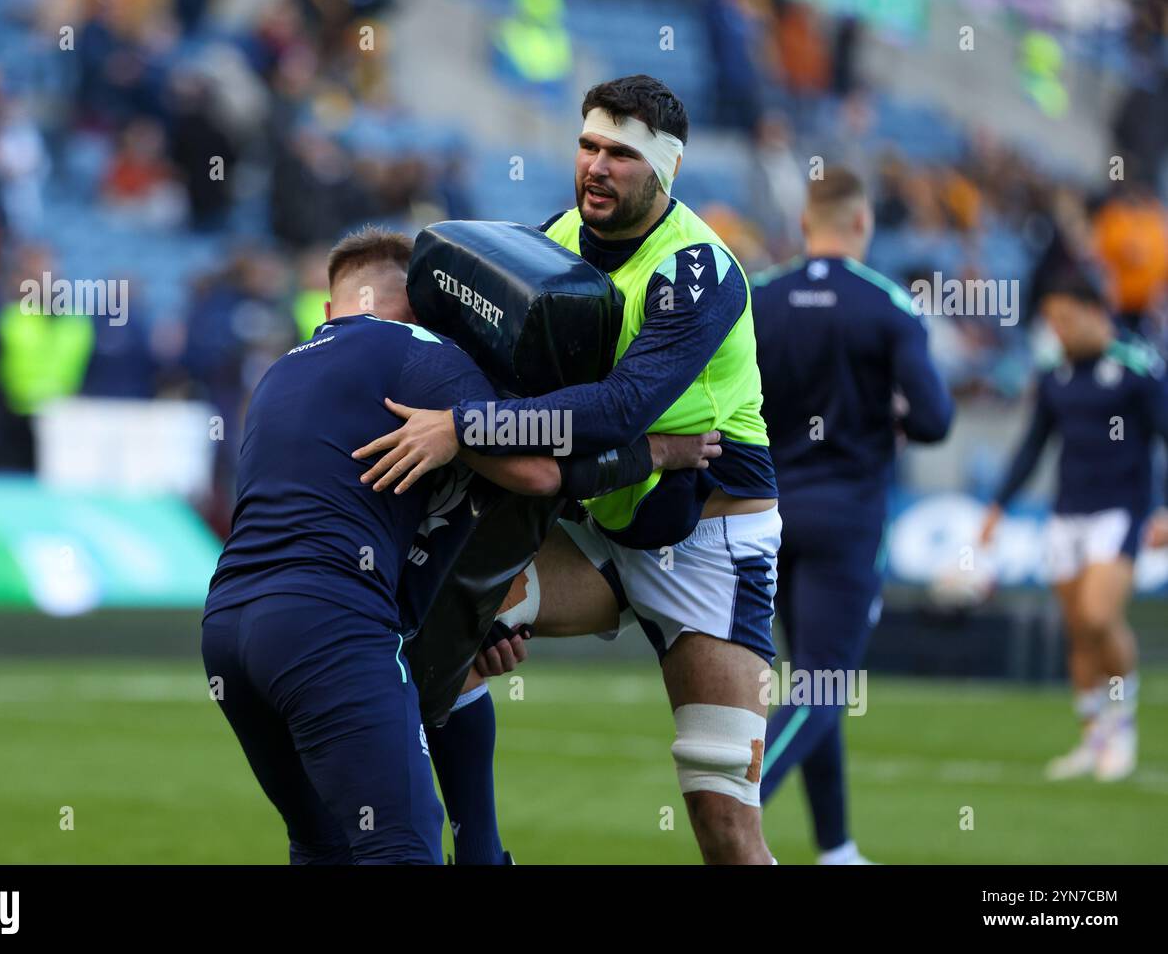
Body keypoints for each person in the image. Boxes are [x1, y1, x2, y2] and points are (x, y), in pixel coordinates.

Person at [356, 75, 781, 864]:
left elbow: (620, 407)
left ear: (667, 170)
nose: (596, 166)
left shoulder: (698, 270)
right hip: (601, 526)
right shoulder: (547, 243)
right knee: (441, 629)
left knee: (724, 823)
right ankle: (477, 851)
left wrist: (464, 430)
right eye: (588, 145)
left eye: (621, 154)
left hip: (709, 544)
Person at [201, 225, 719, 863]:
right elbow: (530, 471)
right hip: (328, 624)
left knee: (322, 846)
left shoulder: (281, 373)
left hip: (227, 629)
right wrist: (657, 451)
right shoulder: (421, 352)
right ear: (423, 305)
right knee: (402, 846)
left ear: (330, 311)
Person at [752, 168, 953, 864]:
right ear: (862, 224)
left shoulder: (761, 297)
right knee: (827, 680)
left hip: (768, 512)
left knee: (812, 677)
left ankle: (836, 849)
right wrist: (891, 415)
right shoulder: (888, 305)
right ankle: (737, 809)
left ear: (806, 225)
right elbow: (934, 418)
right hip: (848, 514)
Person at [980, 270, 1168, 782]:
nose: (1057, 330)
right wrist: (998, 506)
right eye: (1051, 321)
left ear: (1093, 312)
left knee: (1099, 615)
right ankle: (1093, 736)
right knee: (1078, 631)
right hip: (1067, 513)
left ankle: (1122, 725)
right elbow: (1034, 444)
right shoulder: (1054, 373)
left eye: (1065, 319)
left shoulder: (1137, 367)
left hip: (1121, 510)